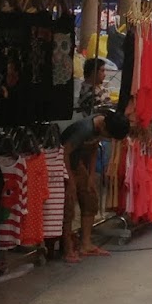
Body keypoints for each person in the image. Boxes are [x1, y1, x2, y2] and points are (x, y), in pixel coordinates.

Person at [59, 108, 126, 262]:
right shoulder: (84, 129)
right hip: (63, 164)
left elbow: (94, 149)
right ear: (104, 128)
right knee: (68, 206)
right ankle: (68, 248)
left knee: (90, 198)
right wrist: (69, 181)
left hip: (77, 164)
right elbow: (64, 153)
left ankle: (85, 244)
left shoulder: (101, 126)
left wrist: (90, 176)